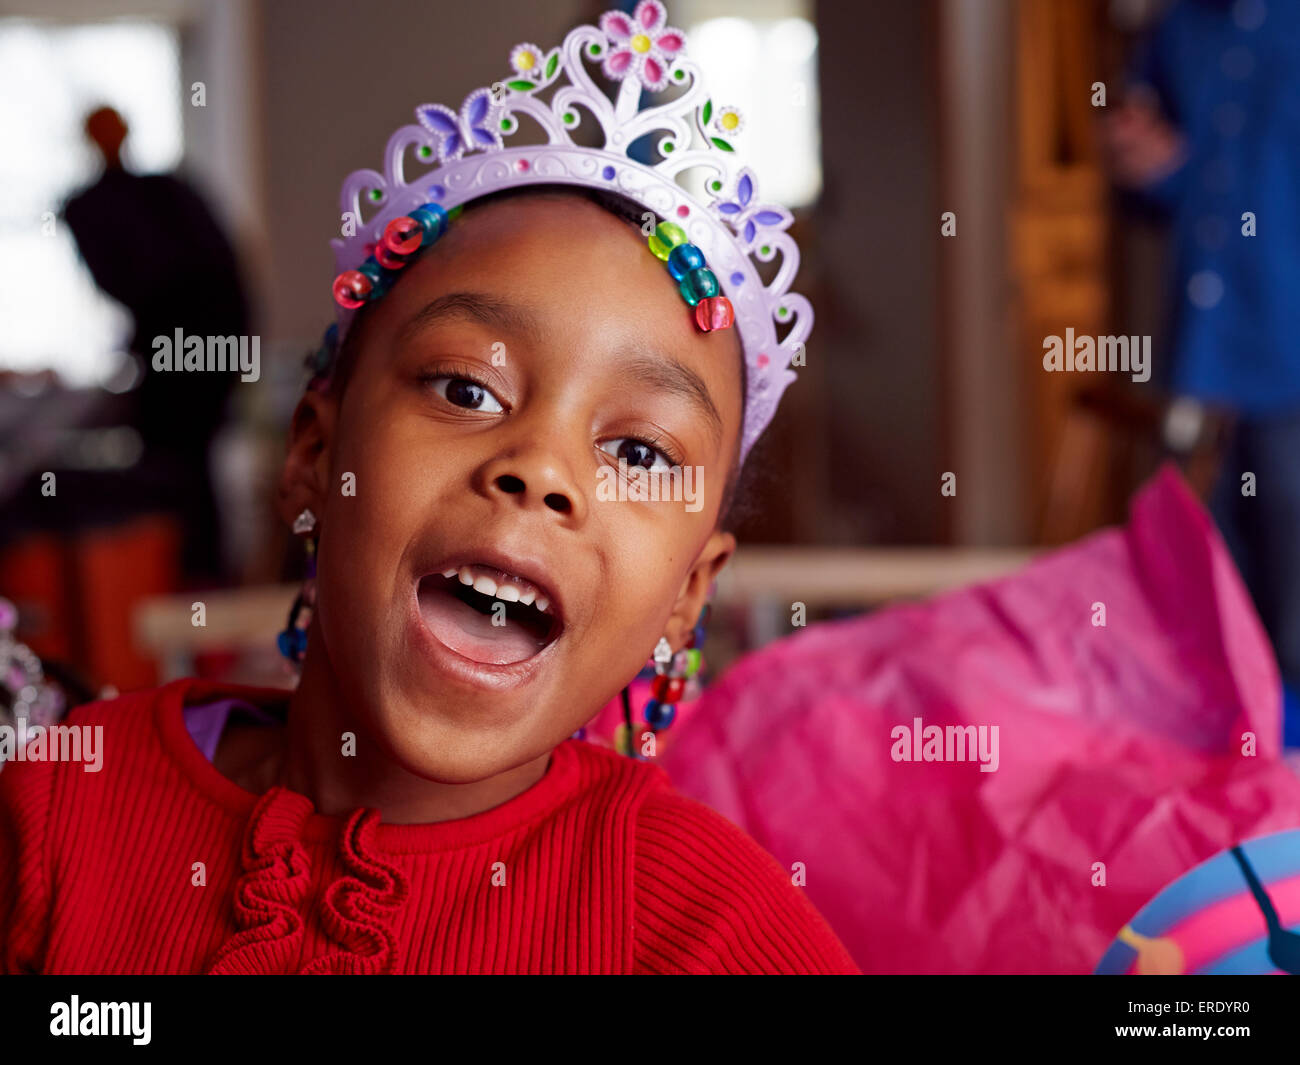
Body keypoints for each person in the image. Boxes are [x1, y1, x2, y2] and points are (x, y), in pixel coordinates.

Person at [0, 2, 857, 974]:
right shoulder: (63, 804)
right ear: (314, 459)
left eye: (642, 452)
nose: (540, 468)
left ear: (687, 595)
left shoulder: (701, 925)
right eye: (466, 387)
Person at [1105, 0, 1300, 740]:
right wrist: (1146, 163)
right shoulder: (1178, 29)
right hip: (1201, 359)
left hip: (1288, 363)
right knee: (1201, 618)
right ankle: (1236, 816)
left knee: (1292, 622)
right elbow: (1168, 187)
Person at [60, 106, 251, 581]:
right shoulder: (95, 204)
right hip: (179, 358)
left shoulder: (170, 193)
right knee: (178, 472)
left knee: (189, 470)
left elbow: (221, 274)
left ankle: (196, 578)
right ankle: (183, 576)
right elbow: (130, 283)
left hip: (202, 354)